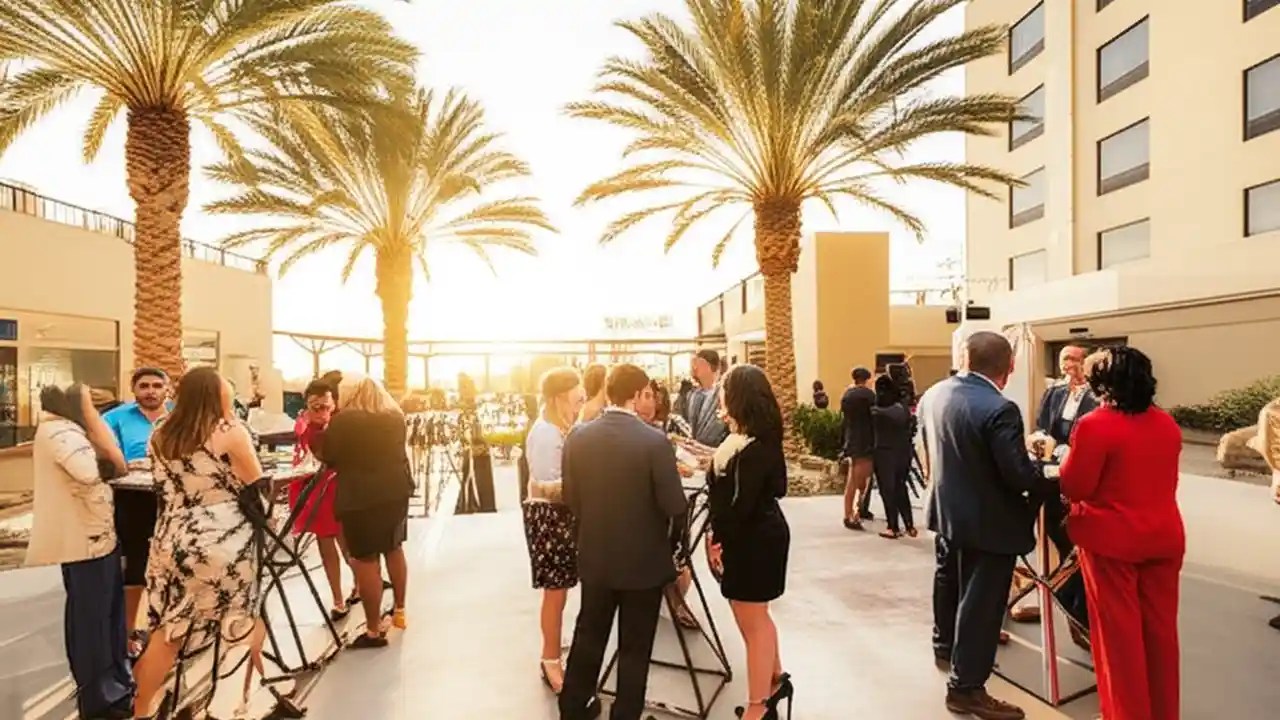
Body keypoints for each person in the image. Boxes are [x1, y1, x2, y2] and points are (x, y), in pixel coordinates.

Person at [917, 331, 1050, 720]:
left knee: (948, 583)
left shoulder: (936, 393)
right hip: (989, 523)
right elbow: (1018, 476)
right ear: (1009, 368)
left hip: (947, 512)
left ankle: (945, 646)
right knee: (982, 604)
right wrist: (1048, 473)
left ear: (966, 358)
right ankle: (966, 689)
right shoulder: (999, 408)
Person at [133, 368, 267, 719]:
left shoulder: (160, 431)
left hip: (171, 536)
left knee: (169, 629)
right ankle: (230, 706)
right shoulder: (228, 430)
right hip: (221, 538)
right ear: (216, 394)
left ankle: (142, 709)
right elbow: (256, 485)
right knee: (240, 617)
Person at [1059, 346, 1185, 720]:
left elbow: (1075, 486)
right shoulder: (1166, 423)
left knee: (1119, 641)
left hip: (1112, 541)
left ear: (1101, 384)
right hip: (1163, 537)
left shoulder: (1096, 425)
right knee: (1160, 636)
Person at [559, 364, 688, 720]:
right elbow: (675, 505)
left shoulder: (578, 437)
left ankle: (573, 707)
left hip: (596, 558)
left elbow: (571, 498)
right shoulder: (654, 441)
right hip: (643, 565)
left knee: (588, 636)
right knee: (635, 645)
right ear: (636, 394)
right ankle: (626, 713)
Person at [27, 384, 133, 719]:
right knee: (93, 622)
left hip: (95, 538)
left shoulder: (63, 431)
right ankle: (102, 698)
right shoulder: (63, 434)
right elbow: (104, 469)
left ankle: (116, 683)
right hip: (85, 544)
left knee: (106, 618)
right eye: (92, 405)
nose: (98, 411)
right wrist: (95, 426)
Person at [704, 365, 793, 720]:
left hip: (755, 541)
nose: (720, 405)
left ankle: (758, 707)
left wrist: (718, 537)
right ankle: (773, 682)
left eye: (724, 397)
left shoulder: (755, 446)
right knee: (756, 617)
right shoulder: (749, 441)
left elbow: (740, 505)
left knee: (752, 621)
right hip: (754, 537)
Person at [319, 377, 414, 648]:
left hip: (360, 498)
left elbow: (330, 457)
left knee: (365, 559)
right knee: (394, 548)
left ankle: (373, 629)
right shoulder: (395, 418)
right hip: (396, 493)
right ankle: (400, 611)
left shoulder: (344, 421)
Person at [1017, 345, 1100, 627]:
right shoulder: (1054, 393)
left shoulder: (1095, 397)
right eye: (1066, 359)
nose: (1070, 364)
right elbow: (1042, 425)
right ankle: (1051, 588)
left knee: (1072, 537)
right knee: (1050, 529)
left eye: (1076, 360)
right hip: (1052, 469)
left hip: (1080, 467)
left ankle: (1076, 600)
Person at [521, 368, 587, 693]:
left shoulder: (557, 428)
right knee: (555, 592)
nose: (578, 407)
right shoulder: (547, 434)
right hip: (549, 519)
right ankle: (550, 660)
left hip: (555, 517)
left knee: (557, 591)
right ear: (558, 398)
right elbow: (551, 486)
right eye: (576, 400)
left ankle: (552, 649)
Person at [102, 367, 170, 659]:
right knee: (135, 565)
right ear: (134, 389)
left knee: (171, 562)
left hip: (172, 498)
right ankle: (130, 631)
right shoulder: (115, 418)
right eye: (144, 386)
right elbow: (104, 455)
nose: (151, 391)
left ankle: (167, 630)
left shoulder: (179, 416)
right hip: (131, 497)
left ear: (168, 389)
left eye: (157, 385)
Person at [289, 378, 352, 619]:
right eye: (316, 407)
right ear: (307, 405)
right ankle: (337, 598)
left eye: (327, 406)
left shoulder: (339, 425)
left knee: (346, 543)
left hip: (337, 489)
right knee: (326, 545)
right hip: (316, 491)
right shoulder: (303, 425)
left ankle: (360, 585)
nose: (322, 412)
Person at [871, 374, 916, 539]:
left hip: (883, 453)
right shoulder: (902, 409)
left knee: (887, 490)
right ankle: (910, 525)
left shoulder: (875, 412)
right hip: (903, 451)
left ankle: (893, 526)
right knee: (900, 487)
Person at [839, 367, 875, 530]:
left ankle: (849, 513)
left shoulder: (847, 395)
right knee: (861, 480)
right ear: (867, 379)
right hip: (865, 441)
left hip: (851, 439)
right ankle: (854, 514)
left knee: (853, 479)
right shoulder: (868, 396)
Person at [685, 350, 729, 447]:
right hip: (696, 448)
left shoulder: (724, 392)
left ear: (712, 367)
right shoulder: (692, 395)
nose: (695, 368)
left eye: (700, 364)